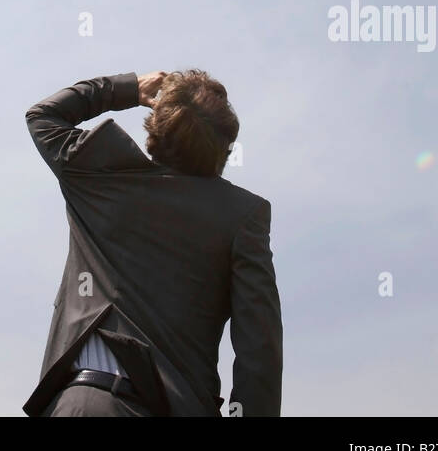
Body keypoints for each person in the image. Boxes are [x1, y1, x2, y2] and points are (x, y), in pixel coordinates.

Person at [22, 69, 282, 417]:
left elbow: (44, 115)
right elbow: (259, 351)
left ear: (156, 129)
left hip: (80, 405)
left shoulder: (97, 175)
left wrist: (127, 89)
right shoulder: (242, 216)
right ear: (224, 149)